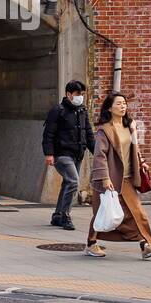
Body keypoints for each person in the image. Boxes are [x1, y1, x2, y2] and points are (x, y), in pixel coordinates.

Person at [85, 93, 151, 260]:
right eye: (119, 103)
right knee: (102, 212)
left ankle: (147, 245)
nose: (123, 106)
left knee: (137, 213)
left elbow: (135, 148)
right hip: (109, 178)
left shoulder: (130, 125)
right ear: (110, 108)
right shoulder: (104, 130)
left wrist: (141, 163)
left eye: (124, 103)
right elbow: (99, 155)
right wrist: (104, 178)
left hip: (127, 178)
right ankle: (91, 243)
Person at [42, 80, 94, 232]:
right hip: (61, 154)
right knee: (73, 182)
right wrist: (49, 154)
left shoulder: (82, 111)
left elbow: (88, 134)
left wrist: (97, 152)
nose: (81, 97)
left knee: (67, 183)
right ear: (69, 94)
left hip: (77, 154)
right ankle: (65, 215)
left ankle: (57, 215)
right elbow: (48, 134)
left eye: (82, 94)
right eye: (78, 94)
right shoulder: (58, 110)